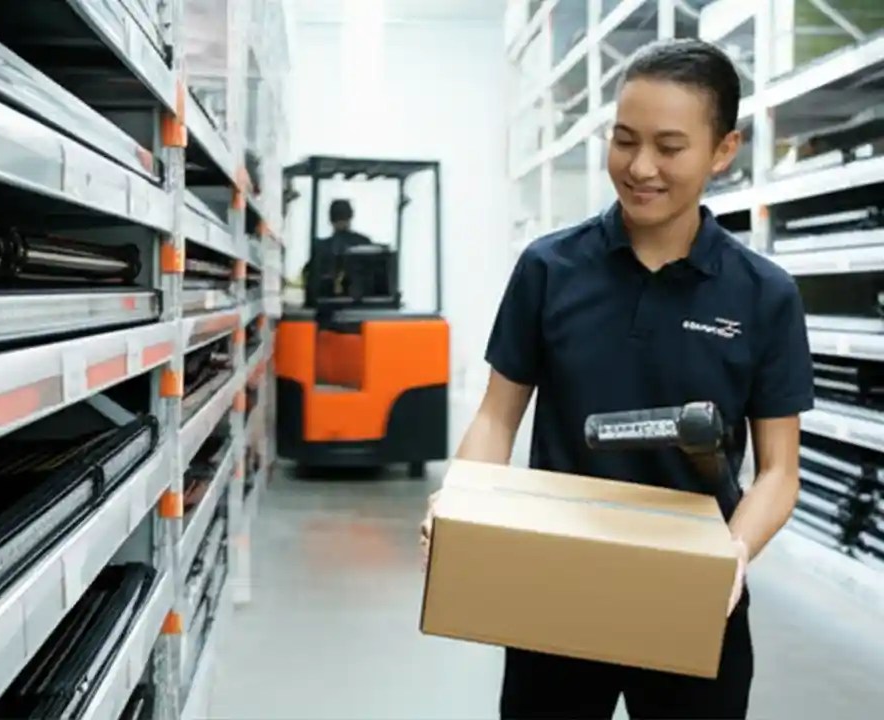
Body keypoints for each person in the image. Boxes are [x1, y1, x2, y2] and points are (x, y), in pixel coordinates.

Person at [420, 39, 812, 719]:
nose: (640, 168)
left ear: (723, 150)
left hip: (695, 591)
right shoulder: (549, 269)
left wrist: (733, 553)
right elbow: (496, 416)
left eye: (669, 146)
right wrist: (462, 502)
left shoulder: (764, 296)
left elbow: (780, 468)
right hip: (556, 583)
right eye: (624, 140)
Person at [302, 199, 374, 299]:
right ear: (351, 216)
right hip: (358, 302)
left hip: (328, 302)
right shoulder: (364, 243)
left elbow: (311, 280)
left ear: (330, 220)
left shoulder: (321, 248)